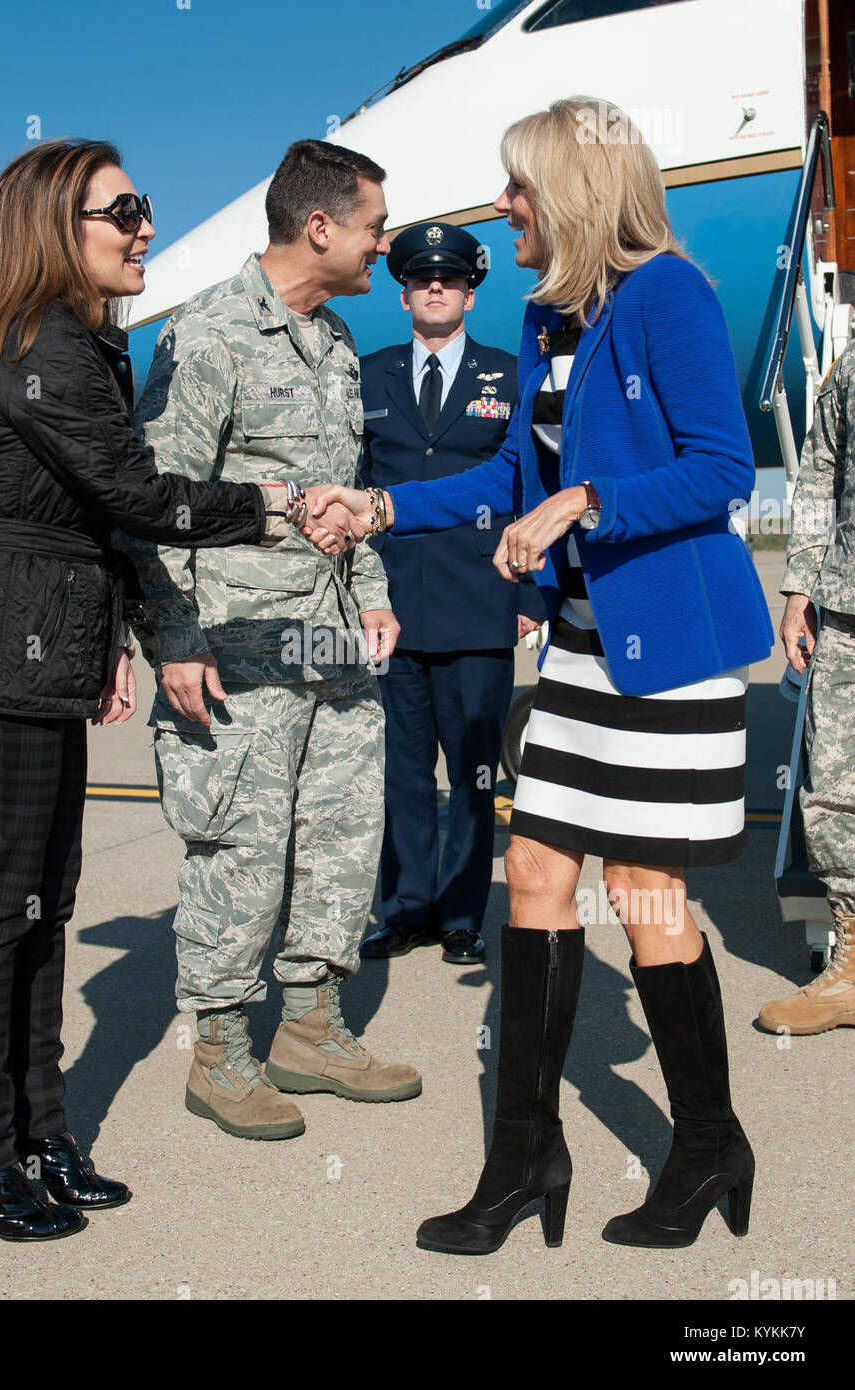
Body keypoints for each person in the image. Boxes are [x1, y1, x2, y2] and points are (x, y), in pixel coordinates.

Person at [312, 96, 775, 1251]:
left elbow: (720, 469)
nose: (502, 207)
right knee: (532, 873)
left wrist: (589, 499)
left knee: (644, 892)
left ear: (567, 186)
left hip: (663, 650)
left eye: (515, 186)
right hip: (573, 643)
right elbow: (508, 470)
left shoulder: (667, 292)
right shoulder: (550, 315)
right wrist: (380, 505)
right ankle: (523, 1159)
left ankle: (708, 1138)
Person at [0, 138, 339, 1241]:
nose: (145, 225)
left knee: (47, 910)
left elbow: (96, 520)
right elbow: (138, 496)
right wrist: (278, 501)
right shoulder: (36, 342)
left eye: (143, 206)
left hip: (40, 650)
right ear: (58, 226)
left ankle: (41, 1133)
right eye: (123, 209)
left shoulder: (87, 346)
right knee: (1, 911)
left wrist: (112, 641)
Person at [125, 138, 421, 1143]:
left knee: (339, 836)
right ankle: (217, 1047)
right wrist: (171, 641)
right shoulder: (207, 334)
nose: (383, 244)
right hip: (236, 645)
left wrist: (371, 587)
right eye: (375, 226)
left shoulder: (335, 343)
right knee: (240, 849)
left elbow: (339, 497)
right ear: (319, 226)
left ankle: (309, 1023)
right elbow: (152, 506)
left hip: (329, 643)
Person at [357, 220, 545, 967]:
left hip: (481, 600)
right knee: (400, 769)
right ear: (403, 293)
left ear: (470, 292)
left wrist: (533, 591)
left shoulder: (509, 373)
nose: (437, 289)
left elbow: (532, 483)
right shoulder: (366, 377)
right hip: (391, 606)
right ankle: (403, 908)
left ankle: (463, 914)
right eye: (422, 279)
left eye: (452, 279)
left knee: (471, 771)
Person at [759, 339, 855, 1035]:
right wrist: (799, 586)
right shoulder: (853, 363)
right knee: (834, 793)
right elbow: (820, 473)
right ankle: (851, 966)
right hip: (847, 608)